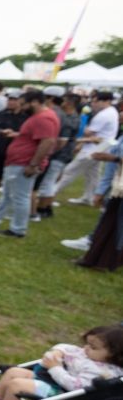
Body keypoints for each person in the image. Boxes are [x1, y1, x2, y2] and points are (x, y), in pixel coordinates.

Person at [0, 89, 58, 238]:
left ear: (35, 102)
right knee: (8, 195)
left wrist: (33, 164)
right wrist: (16, 135)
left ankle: (18, 229)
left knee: (20, 197)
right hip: (18, 161)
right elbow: (35, 137)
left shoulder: (44, 118)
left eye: (24, 104)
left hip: (24, 163)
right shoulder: (39, 116)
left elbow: (48, 141)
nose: (22, 107)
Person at [66, 127, 123, 271]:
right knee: (108, 223)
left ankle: (105, 260)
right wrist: (101, 191)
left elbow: (114, 158)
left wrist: (115, 159)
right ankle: (98, 260)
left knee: (116, 227)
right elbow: (111, 166)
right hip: (118, 188)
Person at [55, 91, 119, 206]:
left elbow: (88, 132)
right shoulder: (111, 112)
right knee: (92, 175)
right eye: (93, 101)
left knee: (70, 171)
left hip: (93, 149)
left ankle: (50, 194)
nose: (93, 104)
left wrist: (81, 122)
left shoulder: (104, 114)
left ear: (107, 101)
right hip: (101, 148)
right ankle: (88, 198)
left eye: (96, 101)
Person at [34, 91, 82, 219]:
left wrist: (49, 152)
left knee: (48, 181)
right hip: (63, 154)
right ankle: (45, 207)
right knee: (50, 180)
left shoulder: (69, 119)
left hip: (60, 155)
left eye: (64, 100)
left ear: (70, 103)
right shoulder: (71, 116)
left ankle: (43, 208)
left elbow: (62, 141)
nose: (62, 103)